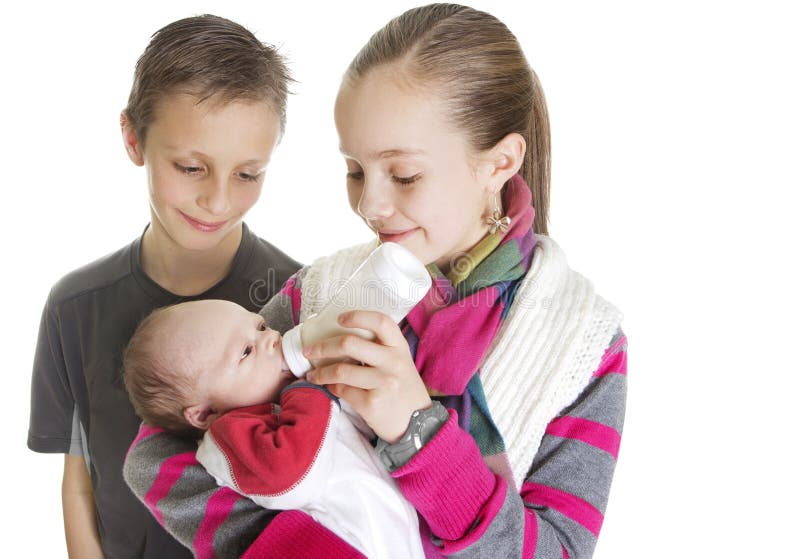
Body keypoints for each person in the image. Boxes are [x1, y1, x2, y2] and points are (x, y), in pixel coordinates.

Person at [124, 4, 628, 558]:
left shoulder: (583, 345)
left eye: (405, 175)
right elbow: (158, 450)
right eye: (355, 171)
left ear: (500, 162)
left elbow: (560, 552)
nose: (370, 205)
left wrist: (418, 433)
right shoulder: (322, 290)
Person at [26, 15, 303, 559]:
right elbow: (79, 483)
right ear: (133, 138)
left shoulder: (299, 298)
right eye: (191, 167)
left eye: (248, 174)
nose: (219, 202)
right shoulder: (75, 310)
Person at [122, 299, 425, 559]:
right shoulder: (228, 436)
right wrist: (310, 392)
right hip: (357, 539)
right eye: (246, 352)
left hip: (393, 529)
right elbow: (290, 479)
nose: (271, 339)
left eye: (261, 326)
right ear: (205, 413)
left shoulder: (280, 401)